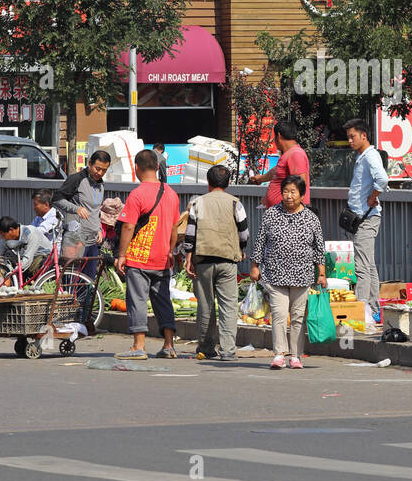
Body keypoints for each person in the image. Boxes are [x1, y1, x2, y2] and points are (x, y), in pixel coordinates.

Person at [250, 175, 325, 370]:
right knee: (279, 315)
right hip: (276, 274)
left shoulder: (311, 218)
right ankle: (278, 355)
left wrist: (322, 273)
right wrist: (255, 266)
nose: (289, 196)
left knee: (298, 317)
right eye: (285, 192)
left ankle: (296, 355)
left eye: (293, 192)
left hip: (302, 276)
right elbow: (260, 242)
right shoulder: (271, 214)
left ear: (301, 195)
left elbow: (319, 248)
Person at [114, 149, 181, 360]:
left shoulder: (137, 194)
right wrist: (171, 251)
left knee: (137, 301)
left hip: (138, 258)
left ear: (137, 168)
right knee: (164, 301)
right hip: (163, 258)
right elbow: (174, 228)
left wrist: (122, 255)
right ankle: (169, 345)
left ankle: (138, 346)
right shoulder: (170, 192)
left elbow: (128, 227)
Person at [182, 164, 249, 362]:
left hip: (202, 259)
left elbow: (190, 234)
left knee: (205, 304)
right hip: (227, 259)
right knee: (228, 305)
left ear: (208, 182)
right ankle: (228, 350)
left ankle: (206, 347)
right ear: (228, 183)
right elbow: (244, 232)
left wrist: (188, 257)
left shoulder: (197, 203)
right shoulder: (235, 203)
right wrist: (242, 250)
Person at [345, 118, 388, 332]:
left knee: (362, 267)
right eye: (348, 137)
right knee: (368, 265)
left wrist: (373, 197)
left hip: (366, 217)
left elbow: (382, 179)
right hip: (364, 217)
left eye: (353, 136)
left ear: (364, 135)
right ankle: (372, 309)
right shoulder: (363, 156)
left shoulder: (371, 155)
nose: (350, 140)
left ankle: (362, 312)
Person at [52, 149, 110, 277]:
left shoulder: (101, 184)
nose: (100, 173)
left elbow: (95, 210)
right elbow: (56, 199)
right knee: (71, 280)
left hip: (93, 239)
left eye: (104, 170)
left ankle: (85, 299)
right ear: (89, 163)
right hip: (75, 238)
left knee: (88, 280)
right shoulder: (76, 179)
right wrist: (76, 208)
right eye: (97, 168)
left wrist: (99, 228)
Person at [255, 121, 311, 208]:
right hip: (281, 212)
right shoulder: (288, 154)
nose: (273, 140)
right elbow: (276, 171)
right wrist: (260, 179)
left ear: (279, 135)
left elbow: (300, 183)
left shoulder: (296, 154)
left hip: (289, 214)